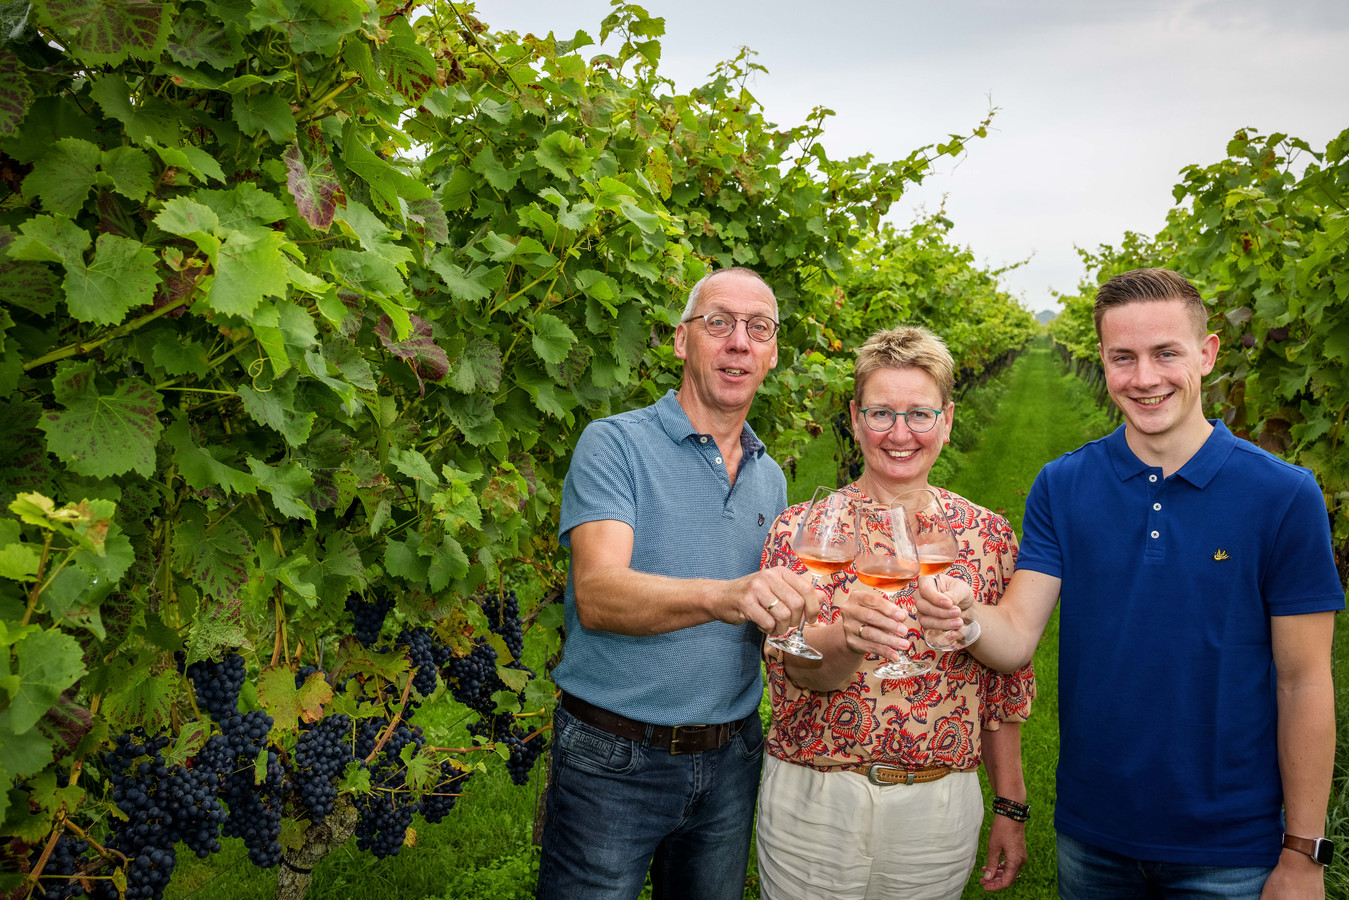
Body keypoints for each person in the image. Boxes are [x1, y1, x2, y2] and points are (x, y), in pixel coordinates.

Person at [917, 268, 1344, 899]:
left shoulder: (1282, 497)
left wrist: (1304, 853)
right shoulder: (1063, 486)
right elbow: (1015, 637)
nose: (1144, 378)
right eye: (1123, 358)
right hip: (1093, 837)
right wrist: (967, 613)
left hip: (1232, 848)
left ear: (1207, 352)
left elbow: (1303, 680)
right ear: (1104, 361)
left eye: (1166, 353)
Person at [535, 267, 816, 900]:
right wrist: (726, 596)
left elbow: (767, 612)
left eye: (758, 328)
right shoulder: (614, 446)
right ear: (680, 341)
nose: (738, 341)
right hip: (613, 759)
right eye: (718, 322)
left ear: (772, 354)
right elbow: (600, 594)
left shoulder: (771, 477)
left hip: (732, 758)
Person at [756, 325, 1035, 899]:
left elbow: (1003, 690)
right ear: (856, 419)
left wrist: (1010, 803)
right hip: (813, 804)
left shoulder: (986, 535)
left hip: (936, 810)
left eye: (920, 415)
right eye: (881, 414)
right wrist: (846, 640)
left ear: (948, 419)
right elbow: (795, 673)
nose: (900, 434)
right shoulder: (802, 532)